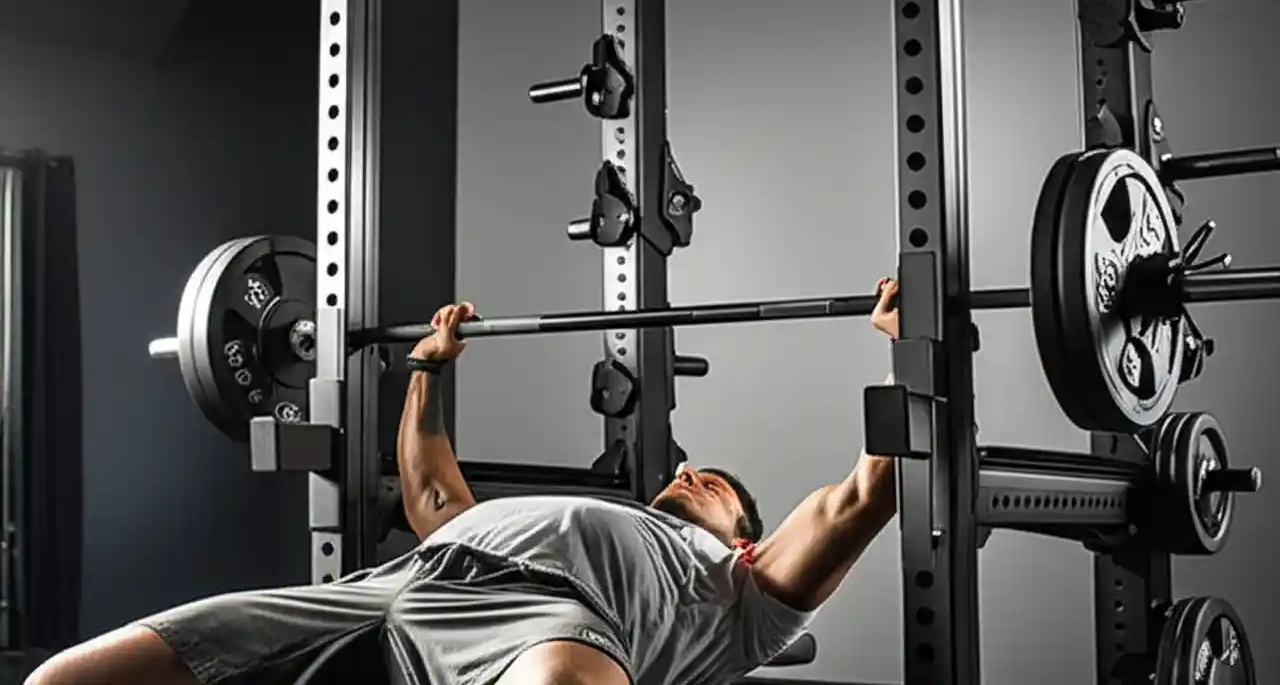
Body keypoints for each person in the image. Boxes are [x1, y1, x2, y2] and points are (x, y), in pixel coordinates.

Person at [29, 280, 903, 685]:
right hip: (400, 586)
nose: (682, 472)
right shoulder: (563, 516)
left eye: (708, 481)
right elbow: (434, 496)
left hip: (557, 623)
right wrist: (429, 368)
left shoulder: (739, 594)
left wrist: (907, 350)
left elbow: (860, 499)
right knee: (71, 682)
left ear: (743, 536)